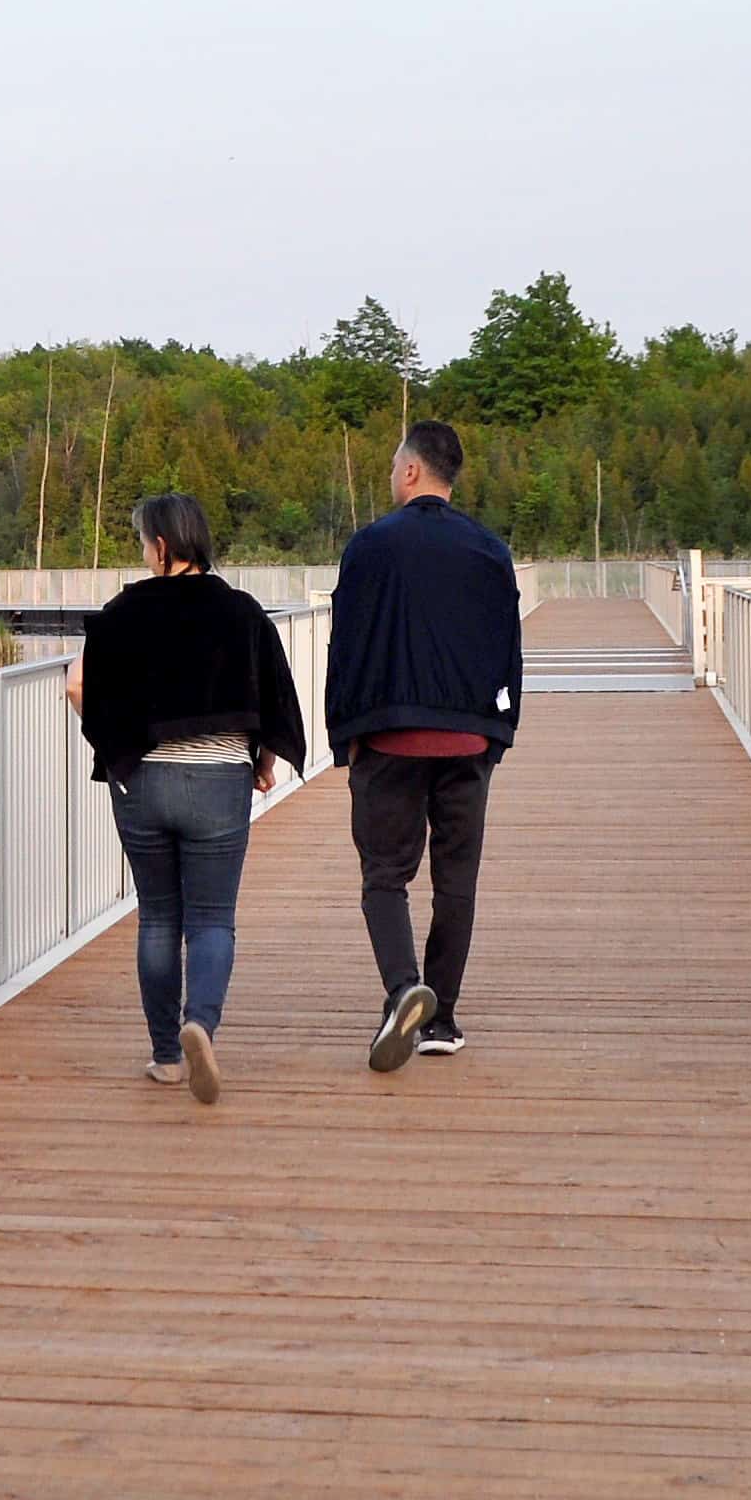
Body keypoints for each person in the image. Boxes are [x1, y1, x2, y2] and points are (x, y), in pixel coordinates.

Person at [66, 492, 307, 1105]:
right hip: (220, 782)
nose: (143, 552)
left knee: (157, 917)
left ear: (163, 546)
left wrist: (112, 745)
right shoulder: (241, 612)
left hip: (144, 784)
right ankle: (200, 1019)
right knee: (211, 918)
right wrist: (266, 760)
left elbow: (78, 685)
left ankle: (168, 1057)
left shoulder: (124, 611)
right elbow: (273, 696)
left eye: (144, 541)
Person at [323, 420, 523, 1071]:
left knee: (385, 873)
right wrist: (500, 731)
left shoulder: (371, 545)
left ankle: (403, 985)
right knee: (456, 879)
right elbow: (508, 647)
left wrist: (343, 734)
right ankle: (440, 1019)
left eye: (390, 463)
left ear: (410, 470)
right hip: (469, 733)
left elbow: (345, 644)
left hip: (389, 732)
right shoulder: (489, 549)